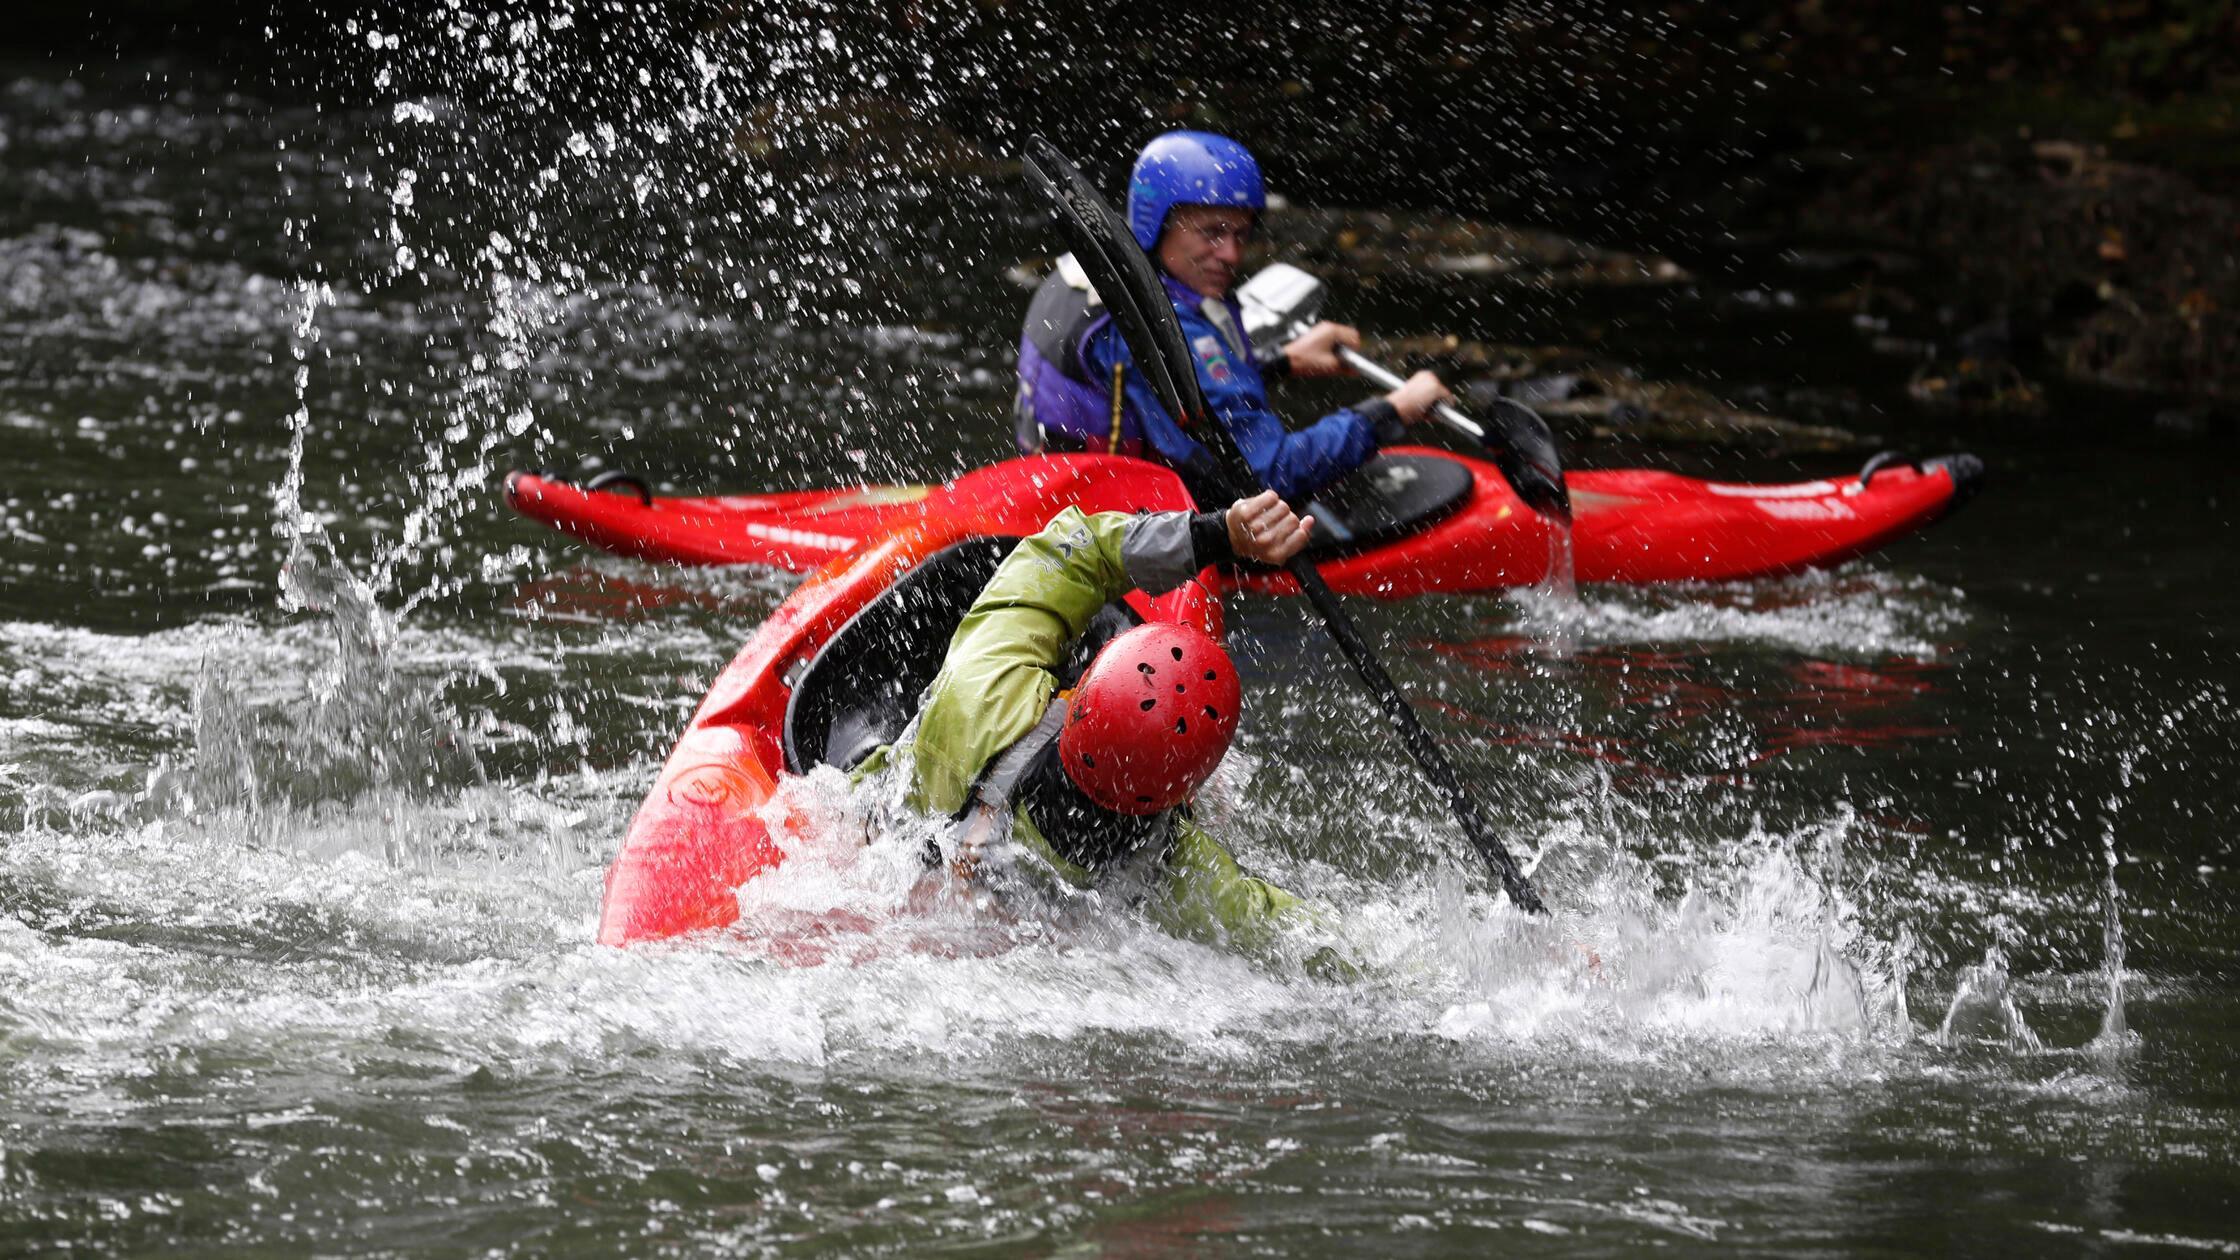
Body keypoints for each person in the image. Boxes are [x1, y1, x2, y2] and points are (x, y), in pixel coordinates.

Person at [854, 489, 1347, 964]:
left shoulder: (983, 683)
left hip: (873, 848)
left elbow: (1077, 550)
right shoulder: (1183, 874)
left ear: (1088, 688)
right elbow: (1300, 936)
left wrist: (1215, 536)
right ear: (1182, 788)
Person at [1014, 130, 1452, 502]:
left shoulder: (1091, 271)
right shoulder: (1160, 327)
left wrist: (1283, 361)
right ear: (1156, 223)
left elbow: (1181, 393)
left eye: (1241, 233)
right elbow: (1267, 475)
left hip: (1053, 488)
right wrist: (1395, 410)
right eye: (1213, 232)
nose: (1232, 254)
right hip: (1121, 527)